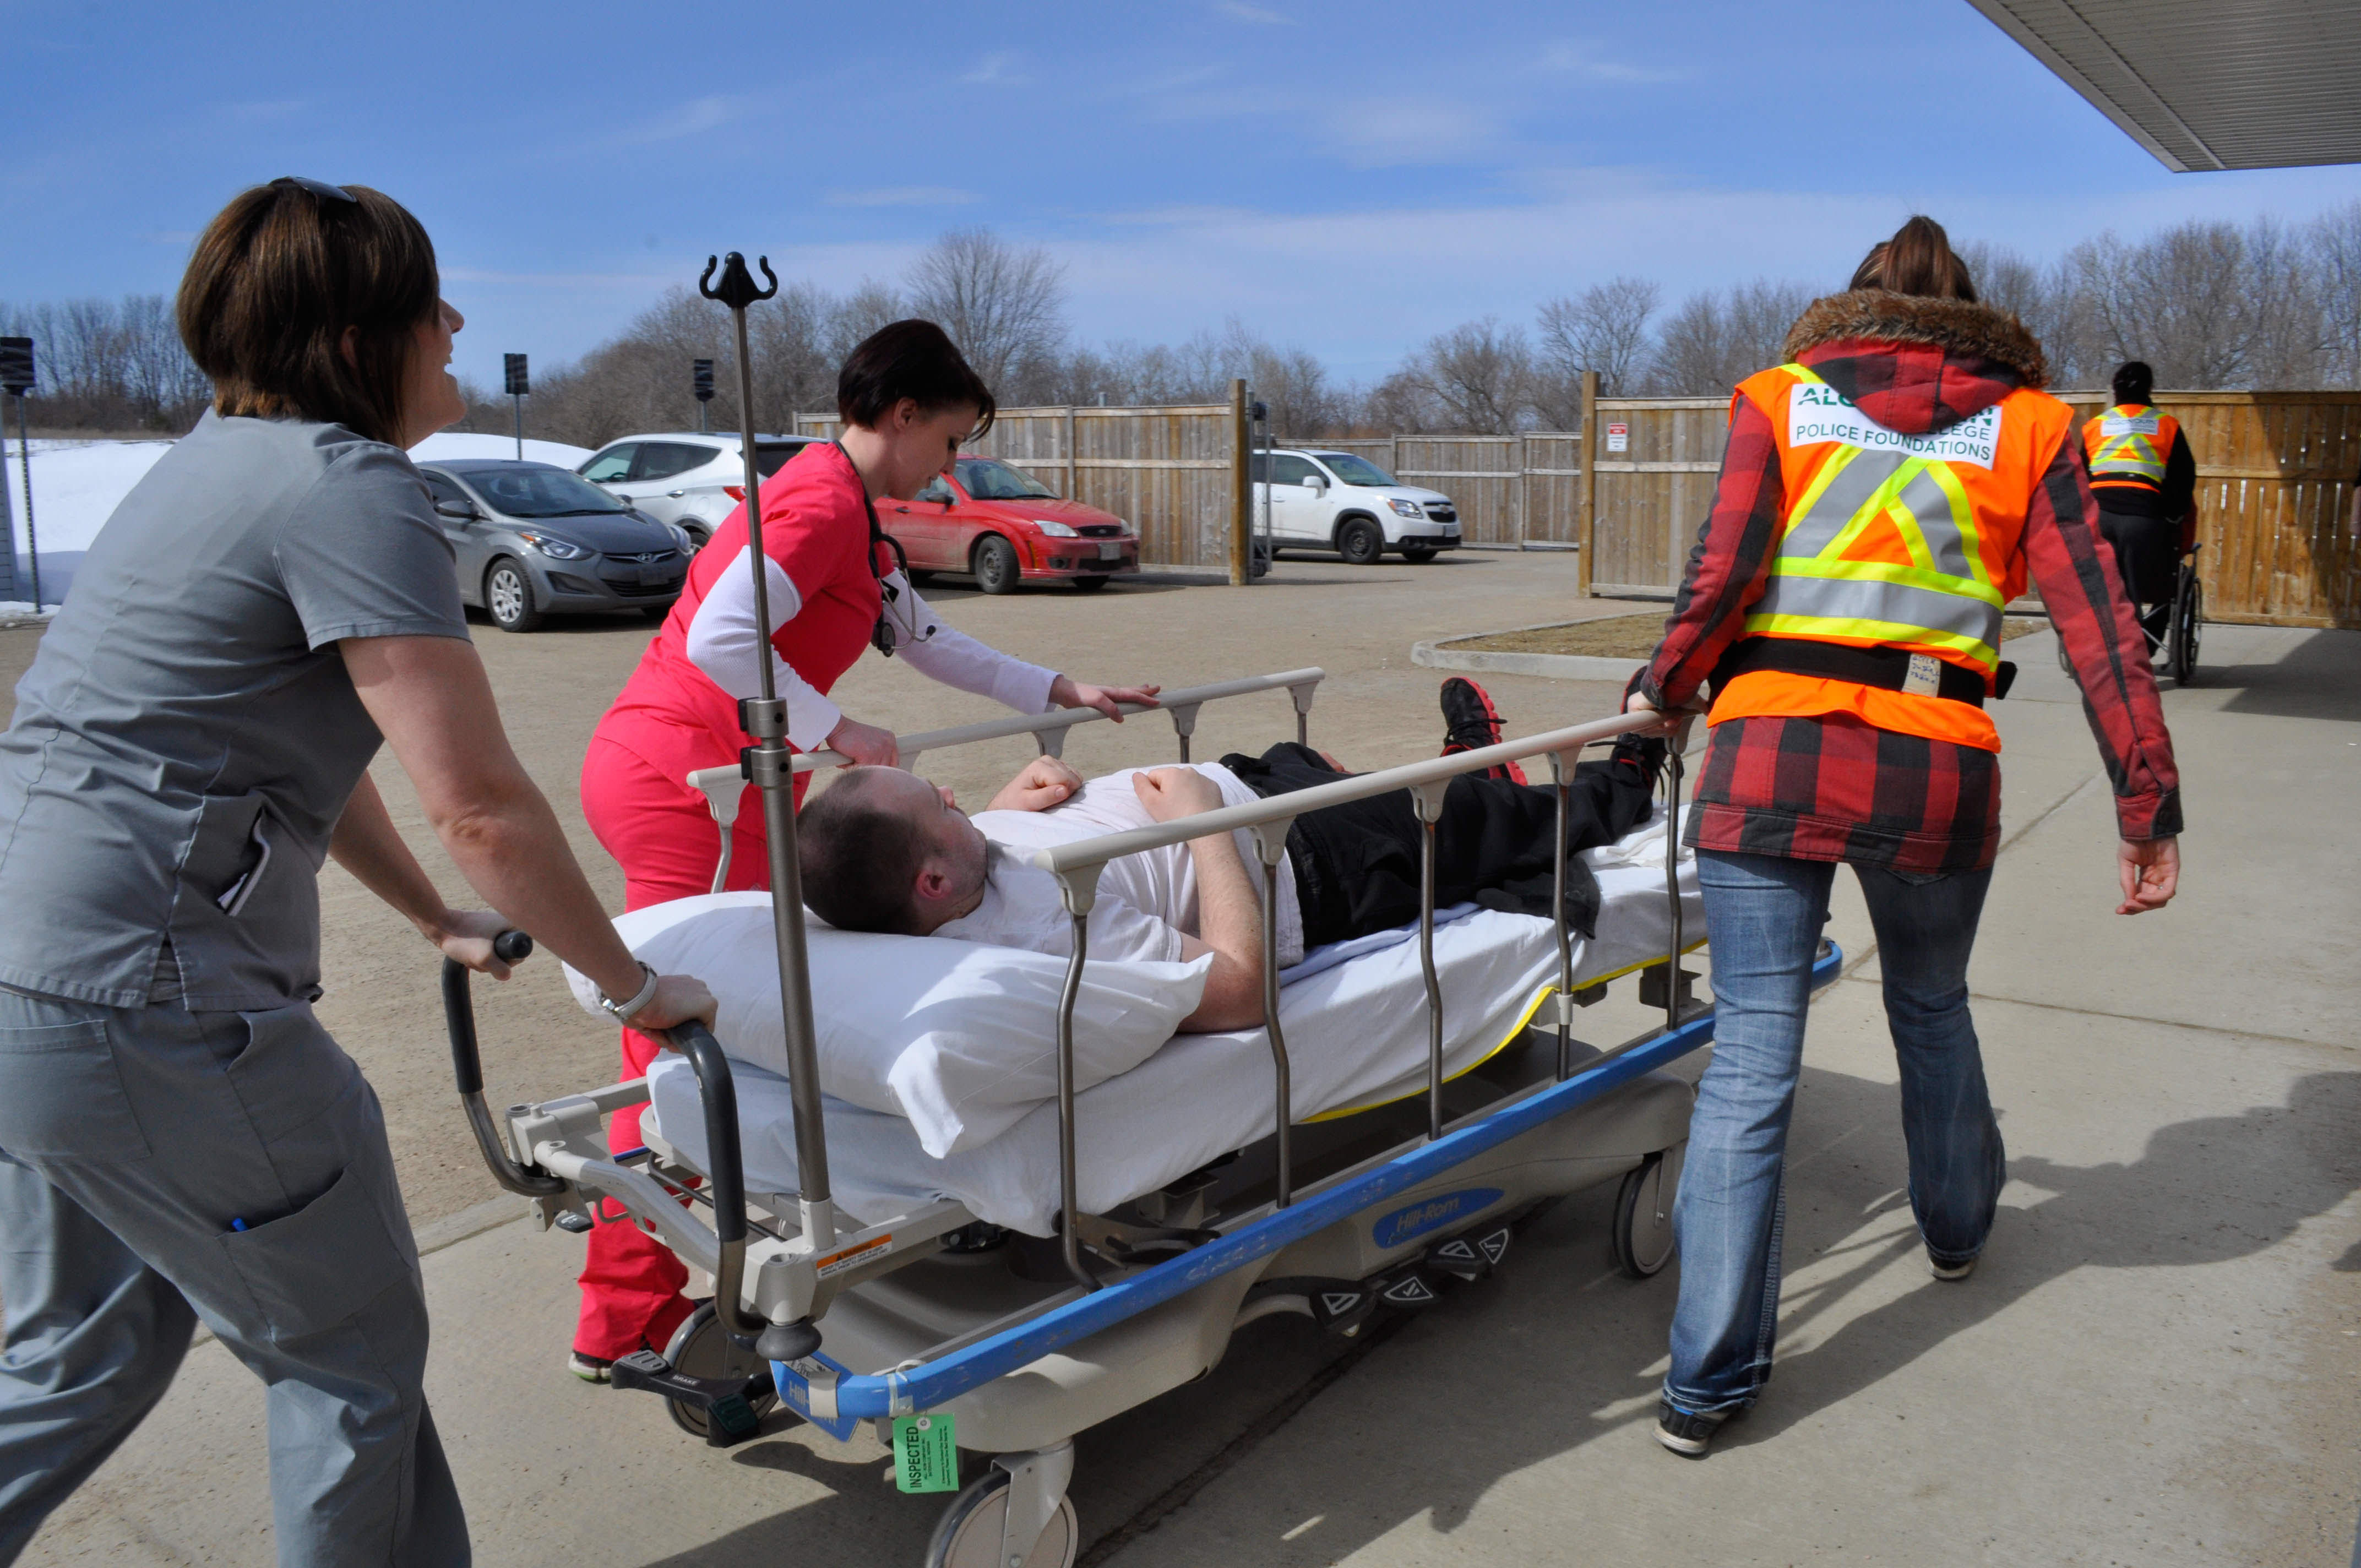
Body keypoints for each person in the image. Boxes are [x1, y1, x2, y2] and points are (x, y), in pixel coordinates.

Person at [0, 178, 714, 1566]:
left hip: (34, 992)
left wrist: (436, 916)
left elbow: (282, 762)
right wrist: (631, 983)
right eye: (427, 305)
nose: (455, 326)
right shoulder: (353, 488)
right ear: (352, 338)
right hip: (156, 1011)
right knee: (350, 1354)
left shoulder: (207, 466)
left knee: (77, 1356)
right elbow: (483, 805)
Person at [1623, 215, 2182, 1459]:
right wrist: (2144, 803)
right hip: (1935, 763)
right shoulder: (2034, 423)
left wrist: (1661, 687)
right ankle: (1956, 1228)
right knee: (1929, 1005)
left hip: (1769, 745)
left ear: (1855, 301)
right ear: (1967, 312)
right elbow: (2097, 620)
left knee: (1751, 1051)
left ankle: (1703, 1381)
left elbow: (1720, 573)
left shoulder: (1777, 396)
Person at [570, 320, 1158, 1380]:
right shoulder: (815, 502)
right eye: (948, 440)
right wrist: (833, 727)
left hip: (729, 784)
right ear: (902, 414)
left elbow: (924, 636)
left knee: (739, 1020)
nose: (950, 465)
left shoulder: (851, 513)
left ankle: (755, 1236)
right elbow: (718, 636)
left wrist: (1057, 688)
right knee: (672, 1044)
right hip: (687, 787)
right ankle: (626, 1317)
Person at [793, 678, 1666, 1029]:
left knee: (1405, 788)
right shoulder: (1049, 931)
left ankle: (1473, 770)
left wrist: (1003, 811)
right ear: (932, 881)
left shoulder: (950, 882)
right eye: (939, 807)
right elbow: (1240, 993)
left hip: (1254, 791)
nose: (952, 796)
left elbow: (963, 862)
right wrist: (1204, 820)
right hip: (1299, 857)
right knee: (1490, 816)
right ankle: (1630, 770)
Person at [2082, 360, 2197, 649]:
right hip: (2145, 521)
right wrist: (2170, 515)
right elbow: (2184, 480)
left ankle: (2103, 644)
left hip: (2099, 519)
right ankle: (2144, 646)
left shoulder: (2095, 427)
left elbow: (2078, 477)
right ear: (2149, 389)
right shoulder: (2167, 426)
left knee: (2104, 584)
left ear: (2115, 391)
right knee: (2166, 585)